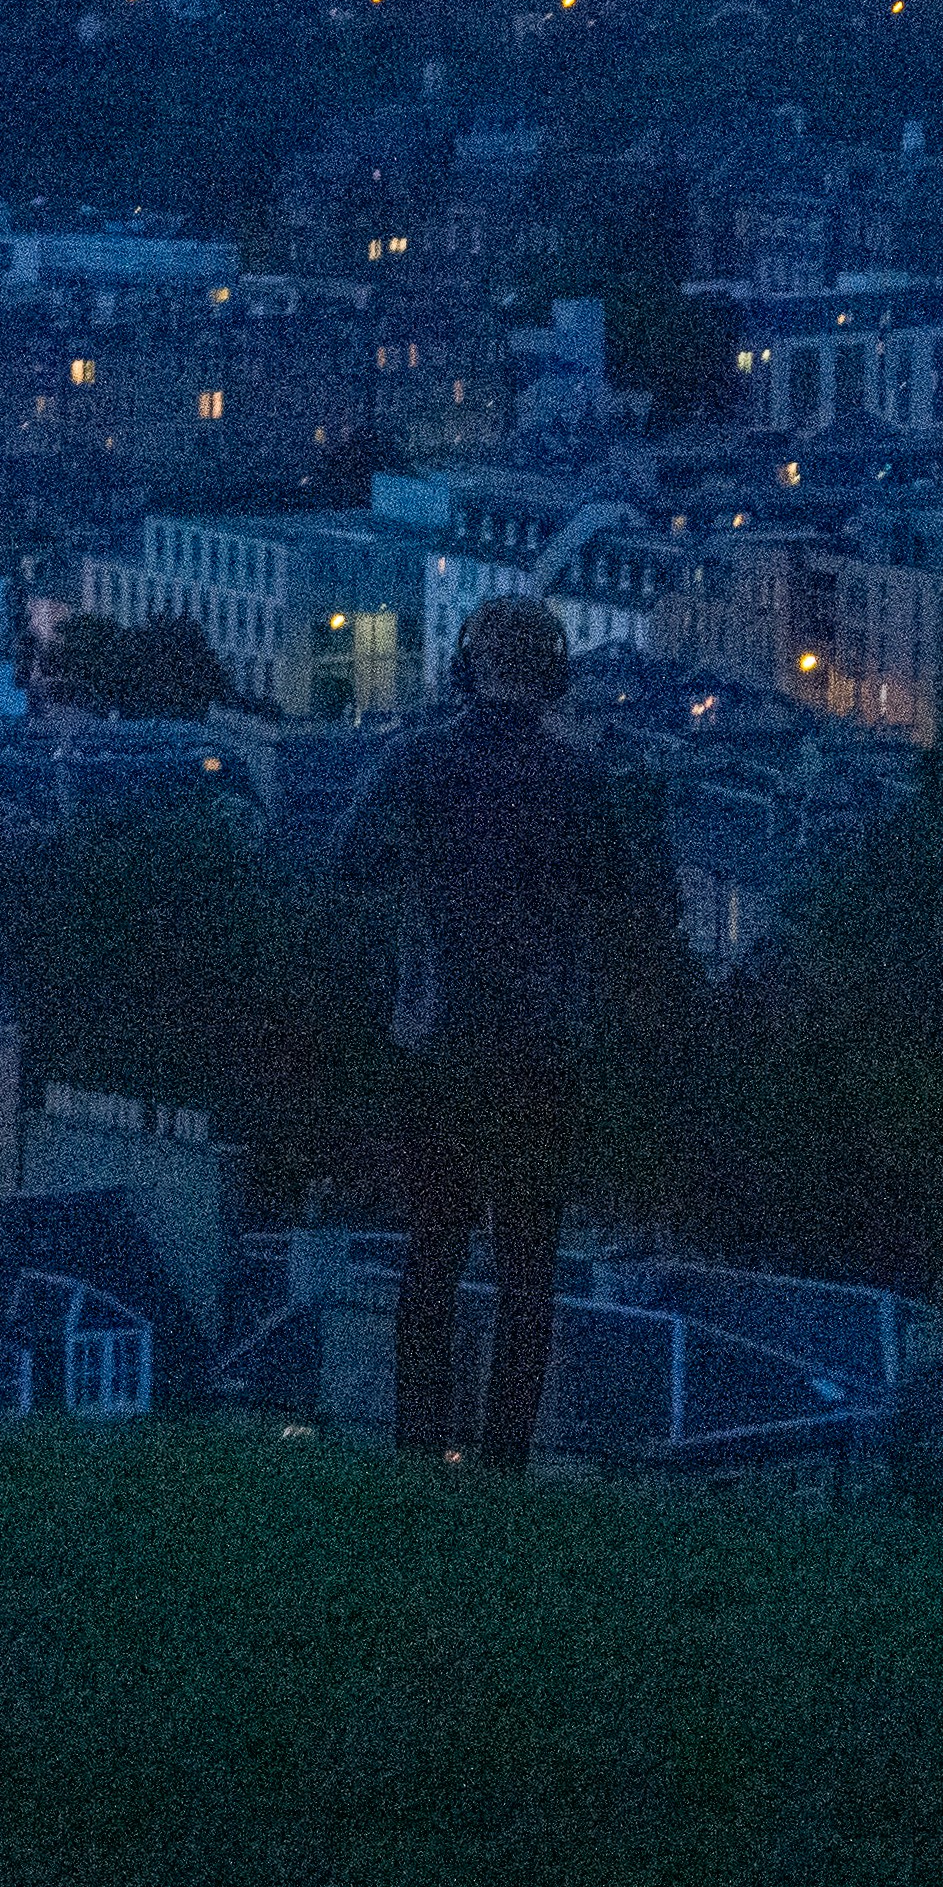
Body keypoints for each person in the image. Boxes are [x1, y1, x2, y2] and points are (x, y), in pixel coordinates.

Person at [332, 592, 651, 1471]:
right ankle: (504, 1458)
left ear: (463, 668)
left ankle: (416, 1448)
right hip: (540, 1052)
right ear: (551, 679)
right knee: (527, 1266)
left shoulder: (414, 761)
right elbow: (619, 896)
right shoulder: (577, 779)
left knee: (430, 1252)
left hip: (434, 1042)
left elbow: (349, 860)